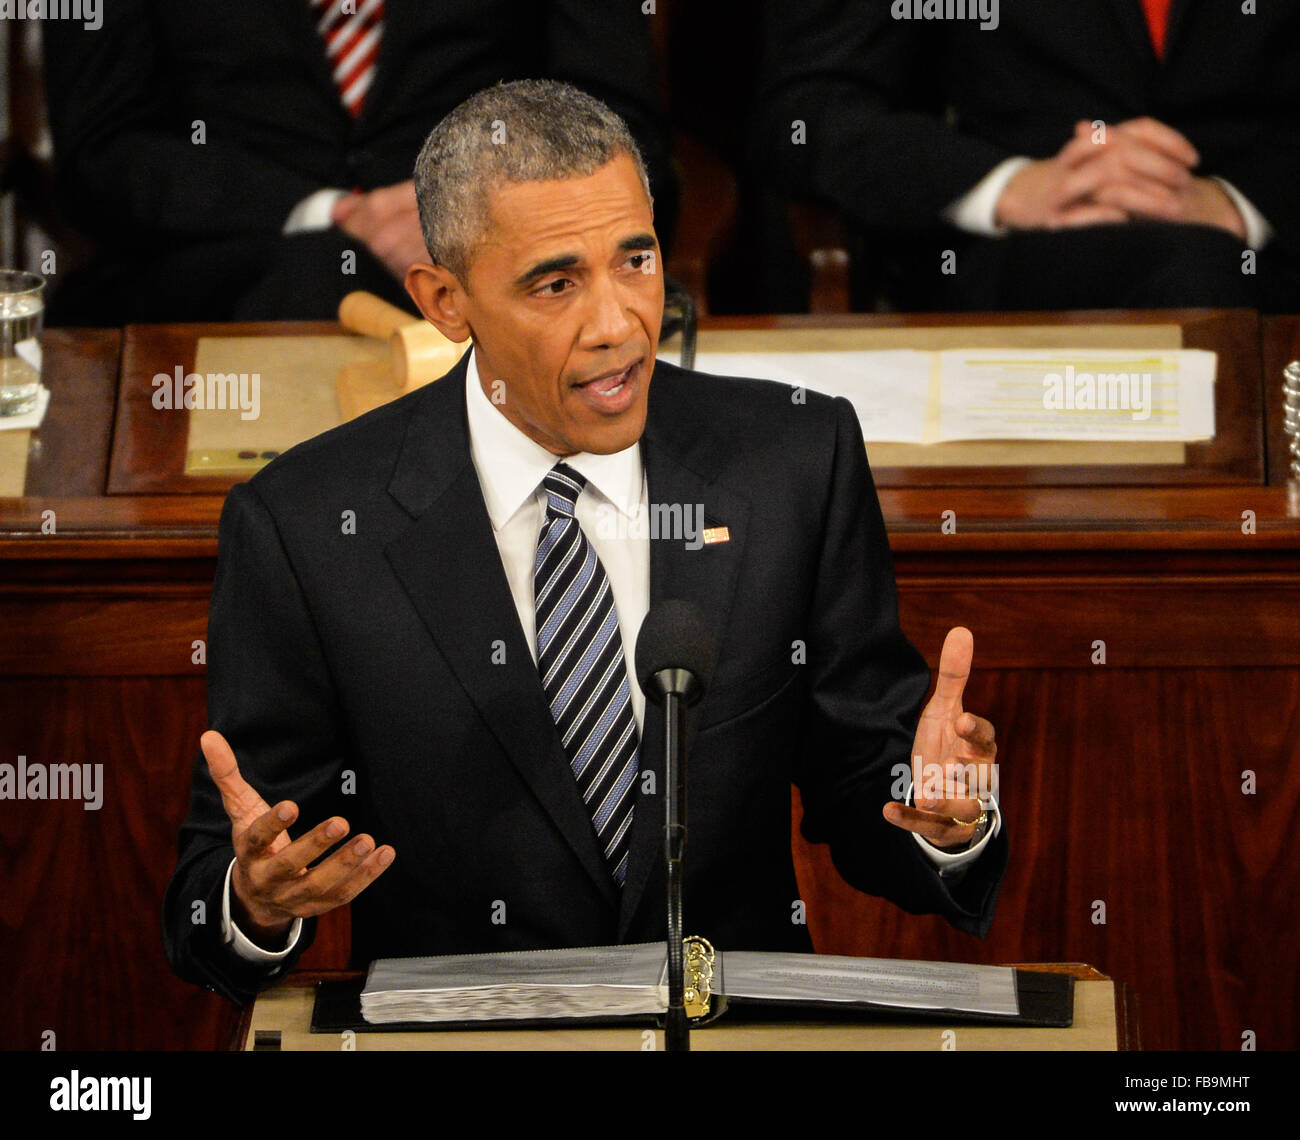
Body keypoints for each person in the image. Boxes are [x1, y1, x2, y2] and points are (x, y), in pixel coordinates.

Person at [162, 80, 1005, 1007]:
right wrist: (257, 902)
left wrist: (941, 820)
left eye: (635, 261)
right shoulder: (309, 525)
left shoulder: (793, 460)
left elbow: (863, 778)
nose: (618, 324)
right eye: (555, 283)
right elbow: (217, 890)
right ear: (446, 302)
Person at [41, 0, 674, 324]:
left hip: (492, 265)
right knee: (316, 278)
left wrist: (469, 204)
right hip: (214, 278)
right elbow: (102, 148)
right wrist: (337, 215)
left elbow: (617, 127)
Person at [755, 0, 1300, 312]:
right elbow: (808, 111)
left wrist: (1242, 202)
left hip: (1277, 259)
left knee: (1200, 279)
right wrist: (1007, 186)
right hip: (999, 273)